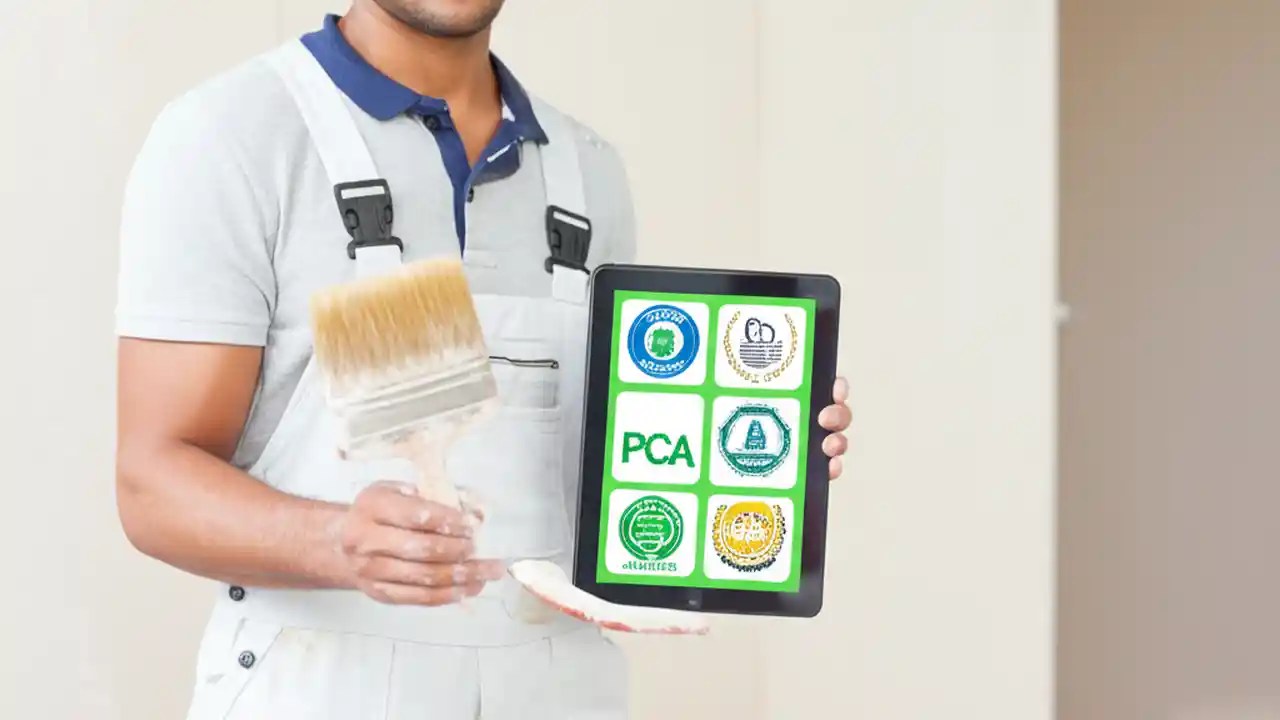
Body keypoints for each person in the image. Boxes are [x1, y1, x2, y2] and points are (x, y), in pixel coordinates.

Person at [114, 1, 853, 717]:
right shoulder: (232, 136)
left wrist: (755, 442)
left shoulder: (588, 171)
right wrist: (337, 541)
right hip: (319, 687)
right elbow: (151, 483)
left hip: (561, 690)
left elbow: (598, 470)